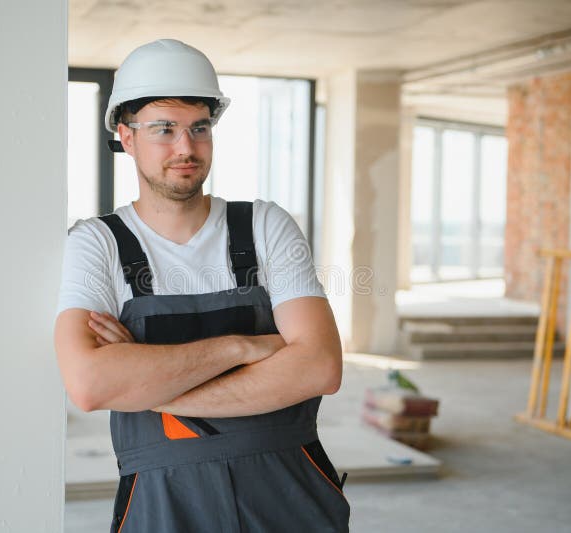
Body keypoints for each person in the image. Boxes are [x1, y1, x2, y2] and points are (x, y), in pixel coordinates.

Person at [54, 38, 350, 533]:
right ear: (126, 137)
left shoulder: (264, 226)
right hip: (165, 504)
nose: (185, 148)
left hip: (290, 494)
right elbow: (89, 384)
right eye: (164, 130)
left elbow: (319, 366)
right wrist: (242, 347)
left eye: (199, 128)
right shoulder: (97, 243)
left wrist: (149, 388)